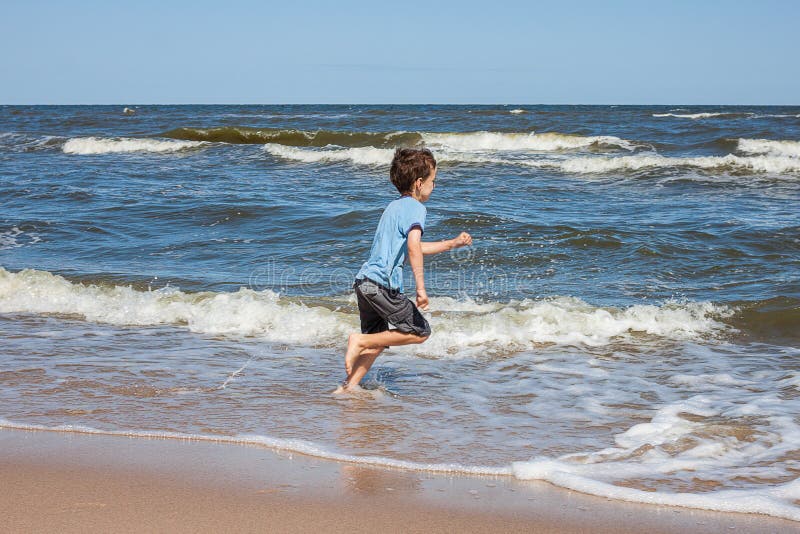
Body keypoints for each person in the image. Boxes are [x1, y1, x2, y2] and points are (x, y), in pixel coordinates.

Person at [338, 148, 472, 392]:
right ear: (419, 183)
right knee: (420, 331)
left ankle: (347, 387)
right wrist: (421, 288)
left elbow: (416, 246)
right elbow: (413, 247)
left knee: (376, 343)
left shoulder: (393, 207)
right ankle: (358, 340)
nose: (435, 186)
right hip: (382, 286)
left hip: (364, 283)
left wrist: (452, 243)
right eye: (433, 181)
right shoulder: (416, 208)